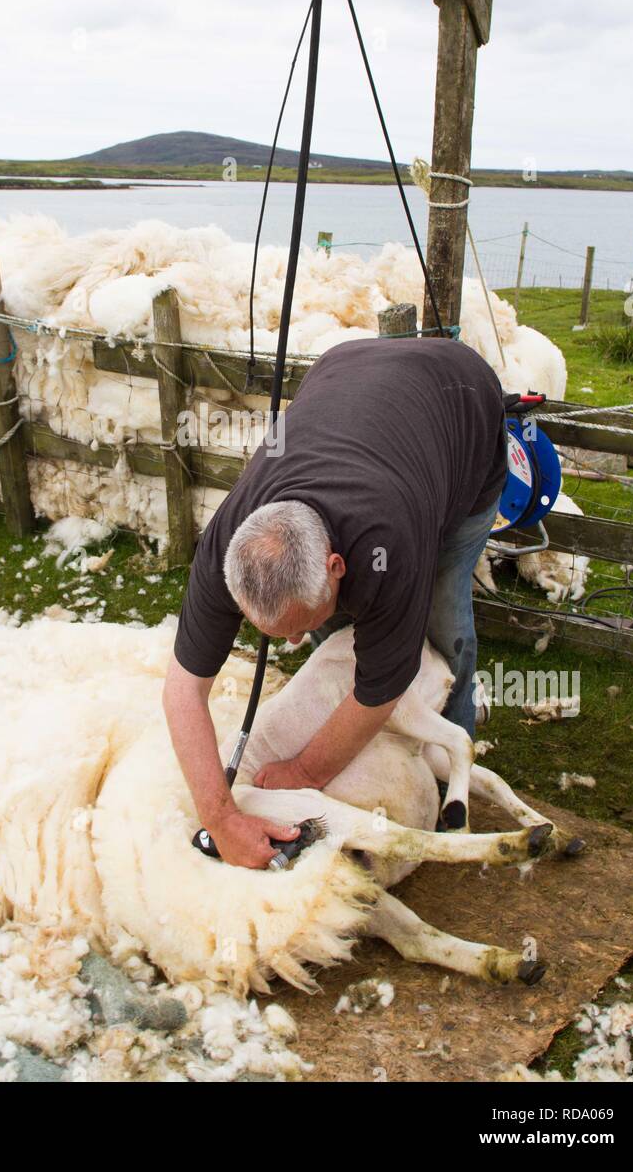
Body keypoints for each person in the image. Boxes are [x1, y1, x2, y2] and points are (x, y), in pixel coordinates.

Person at [162, 337, 507, 869]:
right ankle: (374, 756)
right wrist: (221, 818)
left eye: (296, 627)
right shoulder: (224, 546)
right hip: (345, 370)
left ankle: (449, 755)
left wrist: (303, 772)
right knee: (343, 634)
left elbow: (379, 687)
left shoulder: (390, 541)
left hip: (460, 405)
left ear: (335, 567)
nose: (292, 643)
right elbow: (183, 692)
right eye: (275, 632)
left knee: (442, 614)